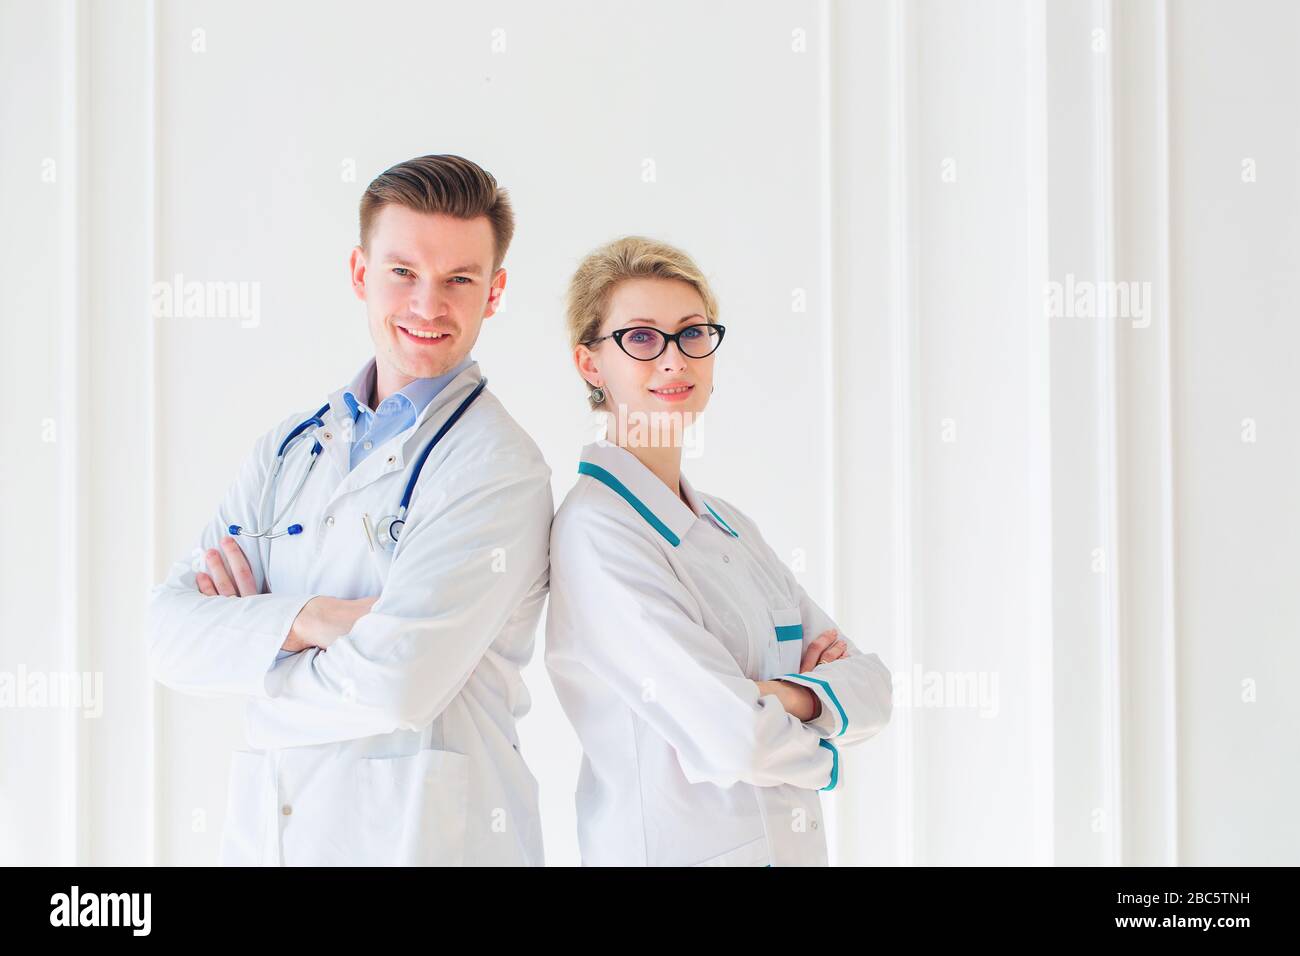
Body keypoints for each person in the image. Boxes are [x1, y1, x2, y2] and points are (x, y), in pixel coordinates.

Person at [148, 155, 552, 866]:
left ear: (495, 292)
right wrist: (314, 620)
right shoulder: (287, 450)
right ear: (361, 274)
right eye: (403, 273)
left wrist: (249, 647)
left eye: (460, 279)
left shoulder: (497, 469)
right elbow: (168, 639)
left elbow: (396, 685)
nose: (429, 306)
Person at [545, 236, 893, 866]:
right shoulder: (597, 533)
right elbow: (737, 740)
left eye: (691, 334)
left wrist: (777, 695)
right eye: (641, 338)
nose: (674, 359)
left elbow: (874, 685)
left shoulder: (729, 526)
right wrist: (811, 704)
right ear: (590, 364)